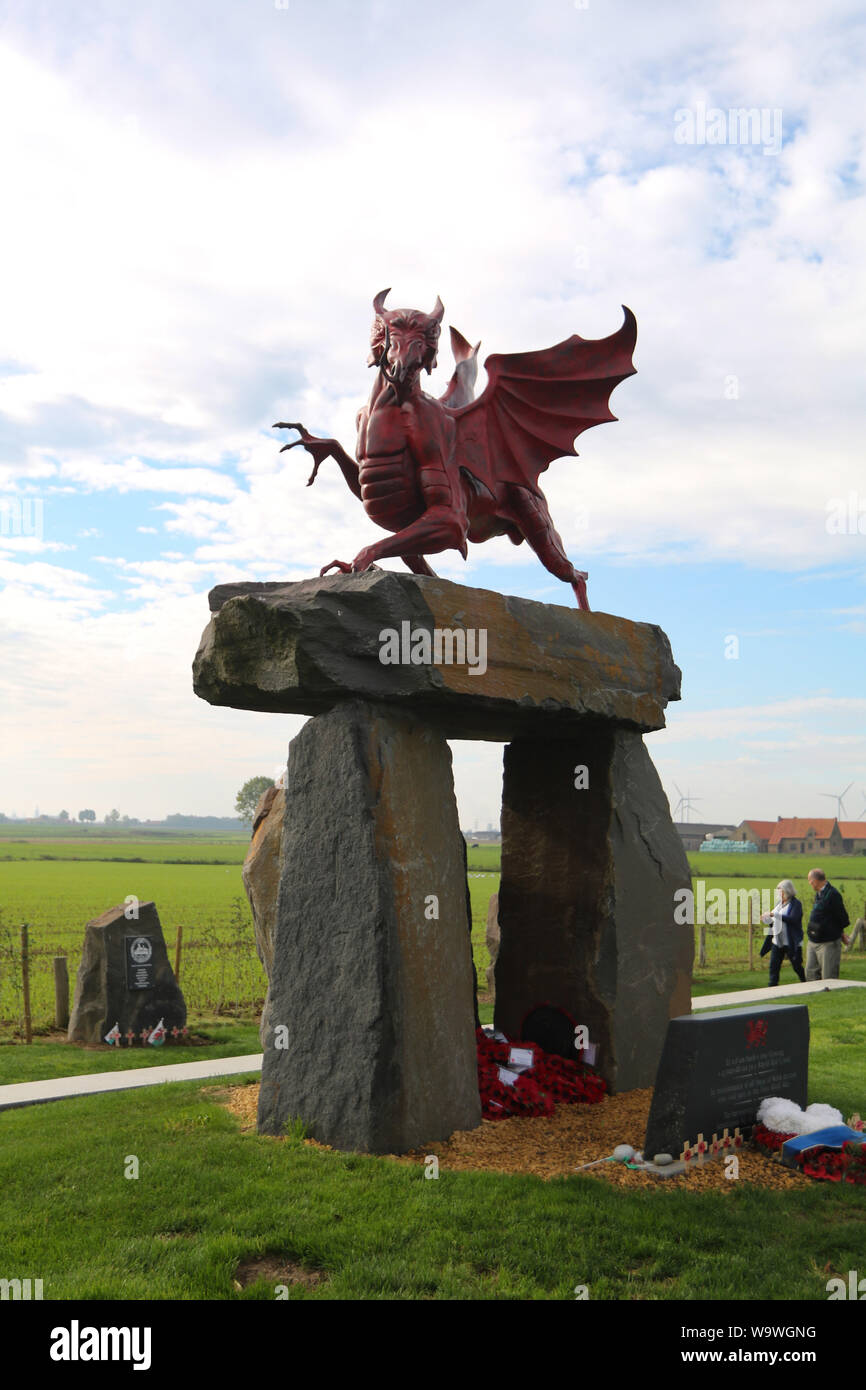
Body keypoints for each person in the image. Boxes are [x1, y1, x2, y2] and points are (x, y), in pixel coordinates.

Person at [805, 868, 850, 980]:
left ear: (815, 880)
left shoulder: (833, 894)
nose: (809, 883)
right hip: (813, 940)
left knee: (828, 976)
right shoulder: (819, 894)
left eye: (810, 880)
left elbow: (842, 917)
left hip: (828, 943)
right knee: (810, 973)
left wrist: (841, 933)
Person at [760, 880, 805, 986]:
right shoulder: (778, 904)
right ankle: (772, 986)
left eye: (781, 891)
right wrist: (766, 918)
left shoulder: (796, 904)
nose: (779, 894)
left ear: (788, 891)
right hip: (777, 941)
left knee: (796, 966)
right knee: (774, 966)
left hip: (791, 941)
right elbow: (773, 920)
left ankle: (805, 981)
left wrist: (774, 915)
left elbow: (793, 919)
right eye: (779, 892)